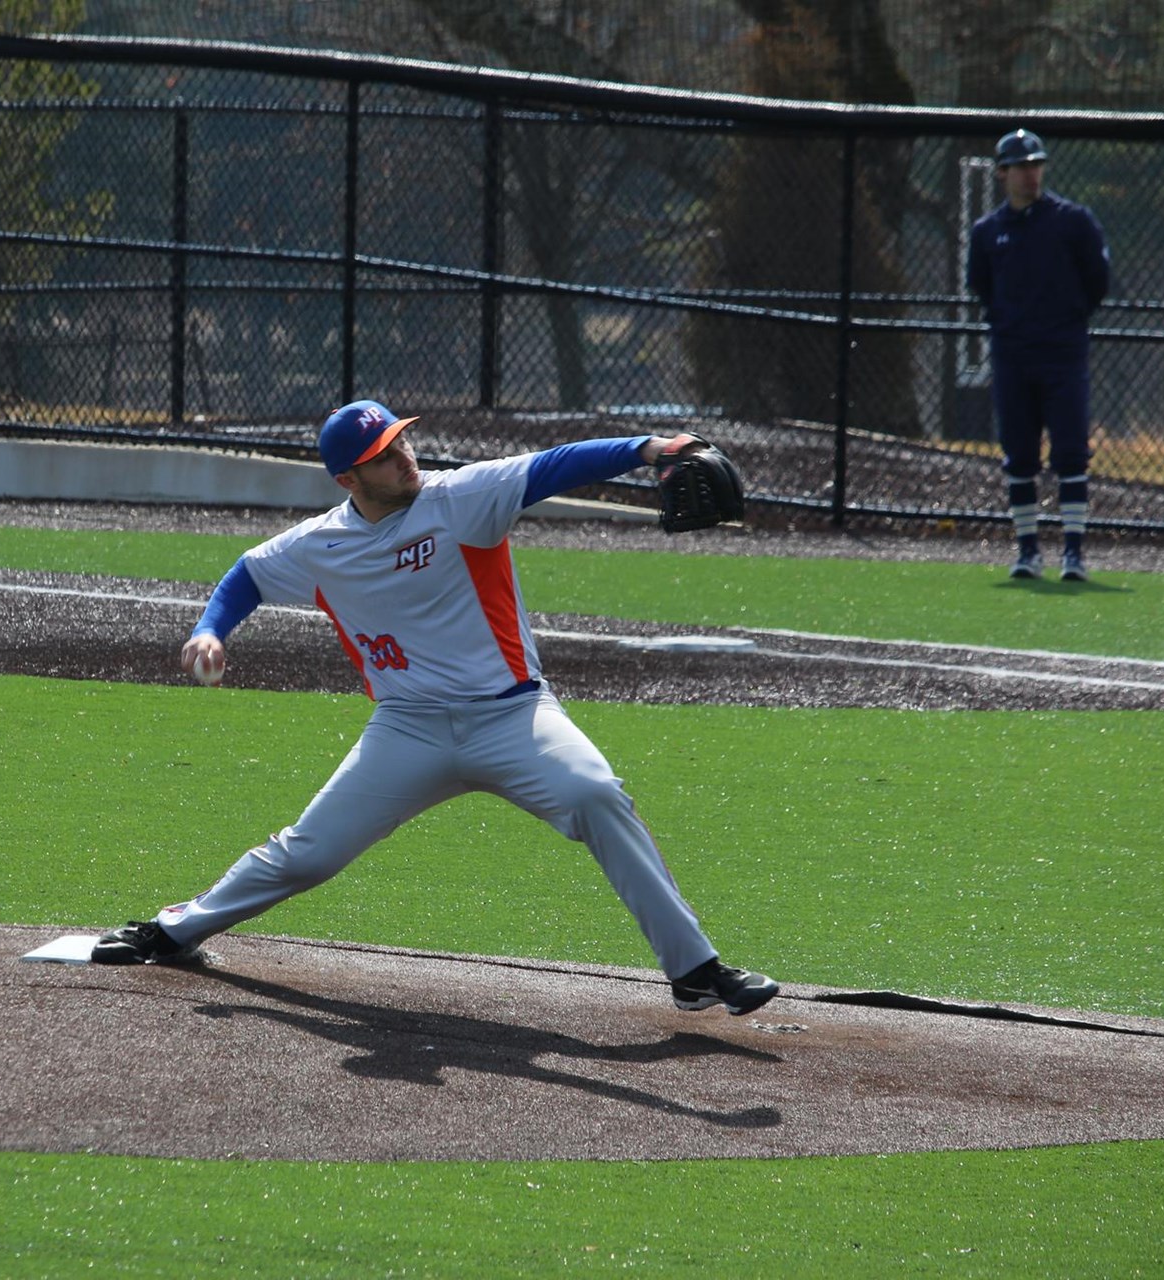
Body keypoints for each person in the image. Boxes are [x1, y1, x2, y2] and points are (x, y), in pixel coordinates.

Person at [90, 400, 780, 1016]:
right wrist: (210, 629)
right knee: (309, 853)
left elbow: (554, 466)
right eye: (380, 457)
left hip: (514, 718)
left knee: (597, 795)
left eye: (400, 442)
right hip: (408, 729)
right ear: (348, 481)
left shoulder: (462, 498)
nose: (401, 458)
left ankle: (694, 971)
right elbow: (247, 575)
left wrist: (650, 450)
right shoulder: (319, 544)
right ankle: (175, 930)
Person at [966, 128, 1111, 581]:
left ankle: (1073, 554)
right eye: (1021, 167)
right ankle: (1027, 551)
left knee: (1070, 451)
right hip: (1012, 357)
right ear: (1002, 173)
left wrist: (1063, 321)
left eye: (1036, 165)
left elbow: (1097, 280)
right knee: (1019, 453)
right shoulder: (988, 232)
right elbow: (981, 286)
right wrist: (1013, 326)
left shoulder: (1073, 222)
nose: (1031, 175)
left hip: (1062, 354)